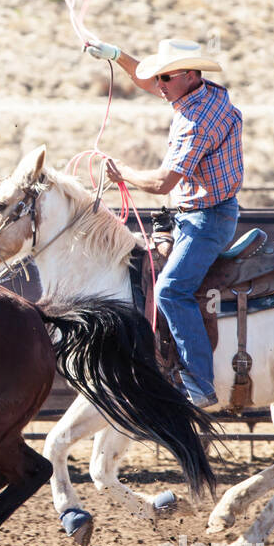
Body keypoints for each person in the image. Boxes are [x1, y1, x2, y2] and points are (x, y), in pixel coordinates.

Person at [84, 37, 243, 410]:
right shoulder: (203, 94)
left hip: (207, 219)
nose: (159, 85)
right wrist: (115, 54)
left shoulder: (195, 122)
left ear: (188, 75)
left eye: (166, 78)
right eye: (159, 77)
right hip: (199, 212)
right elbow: (146, 79)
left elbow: (162, 184)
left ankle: (199, 384)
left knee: (172, 290)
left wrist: (122, 173)